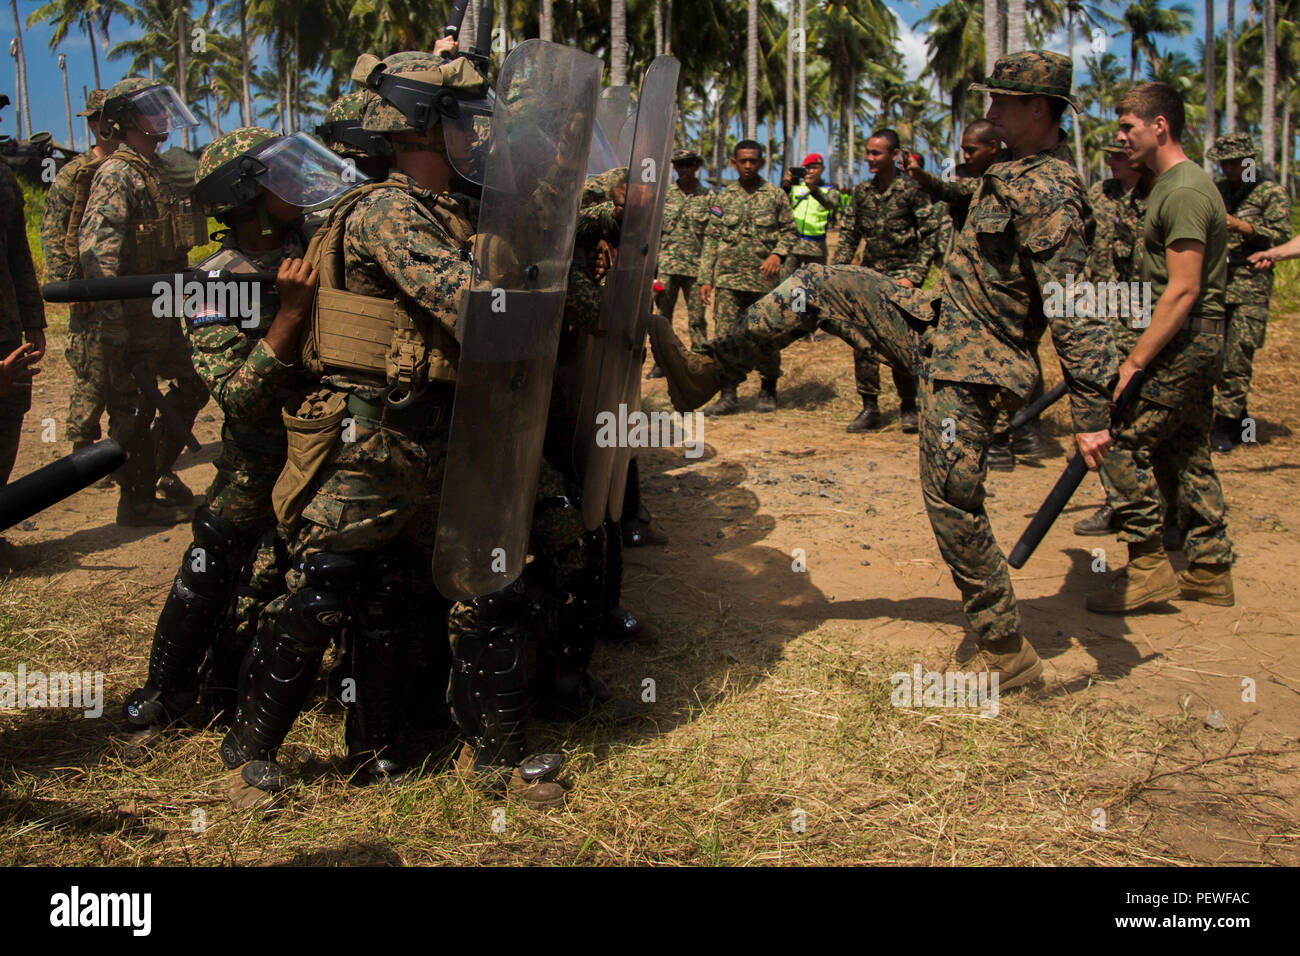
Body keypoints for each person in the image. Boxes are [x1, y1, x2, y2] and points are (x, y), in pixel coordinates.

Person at [651, 51, 1111, 689]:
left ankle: (1006, 648)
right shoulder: (1011, 166)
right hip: (936, 324)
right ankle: (708, 372)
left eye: (1001, 101)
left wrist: (1092, 418)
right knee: (813, 284)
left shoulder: (1053, 191)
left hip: (977, 364)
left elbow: (1076, 307)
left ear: (1040, 108)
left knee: (951, 494)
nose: (989, 110)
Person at [219, 52, 564, 808]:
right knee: (320, 591)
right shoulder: (387, 210)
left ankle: (497, 759)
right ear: (422, 130)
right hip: (375, 440)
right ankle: (249, 755)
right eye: (462, 123)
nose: (477, 138)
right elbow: (472, 307)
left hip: (443, 435)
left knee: (487, 587)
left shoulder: (451, 213)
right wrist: (546, 301)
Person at [122, 127, 353, 743]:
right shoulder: (213, 282)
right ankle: (164, 696)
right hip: (256, 463)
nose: (298, 186)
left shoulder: (317, 245)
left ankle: (249, 693)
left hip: (325, 453)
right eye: (280, 178)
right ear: (246, 195)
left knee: (279, 586)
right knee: (208, 565)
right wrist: (290, 315)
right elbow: (238, 396)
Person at [1085, 82, 1235, 614]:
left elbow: (1184, 288)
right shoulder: (1172, 186)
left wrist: (1133, 362)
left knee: (1118, 442)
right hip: (1191, 338)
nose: (1120, 137)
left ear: (1159, 127)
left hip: (1184, 339)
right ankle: (1210, 568)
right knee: (1186, 446)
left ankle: (1147, 566)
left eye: (1128, 126)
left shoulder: (1185, 191)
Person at [78, 78, 211, 526]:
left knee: (193, 384)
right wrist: (112, 322)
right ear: (128, 120)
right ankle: (135, 502)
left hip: (162, 313)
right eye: (154, 110)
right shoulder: (119, 173)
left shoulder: (154, 170)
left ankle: (152, 473)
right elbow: (97, 252)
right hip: (132, 320)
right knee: (133, 410)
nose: (165, 118)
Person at [1074, 146, 1157, 537]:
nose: (1112, 161)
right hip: (1104, 308)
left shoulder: (1156, 195)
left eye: (1121, 155)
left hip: (1146, 314)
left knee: (1143, 417)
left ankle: (1156, 508)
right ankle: (1119, 504)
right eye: (1109, 155)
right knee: (1112, 410)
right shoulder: (1099, 193)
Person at [833, 128, 937, 434]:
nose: (869, 158)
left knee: (903, 345)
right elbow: (849, 234)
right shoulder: (862, 192)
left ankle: (909, 406)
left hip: (901, 281)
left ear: (895, 155)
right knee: (863, 344)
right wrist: (836, 272)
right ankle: (870, 408)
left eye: (876, 153)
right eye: (867, 152)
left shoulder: (912, 190)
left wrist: (913, 276)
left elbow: (931, 236)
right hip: (868, 279)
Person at [40, 89, 118, 456]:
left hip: (127, 288)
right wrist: (69, 288)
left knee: (129, 374)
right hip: (88, 291)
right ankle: (82, 447)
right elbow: (53, 233)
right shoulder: (75, 175)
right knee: (93, 372)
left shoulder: (134, 168)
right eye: (94, 119)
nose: (101, 125)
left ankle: (126, 452)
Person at [1205, 133, 1291, 453]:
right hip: (1218, 282)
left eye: (1234, 163)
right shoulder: (1219, 190)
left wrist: (1244, 227)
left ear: (1248, 162)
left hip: (1250, 286)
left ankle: (1225, 427)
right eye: (1223, 163)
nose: (1227, 169)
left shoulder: (1269, 193)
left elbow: (1282, 237)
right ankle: (1243, 424)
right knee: (1215, 356)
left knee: (1237, 359)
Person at [696, 139, 796, 415]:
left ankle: (768, 388)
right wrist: (706, 277)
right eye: (743, 161)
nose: (749, 165)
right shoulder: (723, 198)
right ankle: (728, 394)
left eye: (754, 160)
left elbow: (790, 231)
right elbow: (712, 238)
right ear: (734, 163)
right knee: (726, 336)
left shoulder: (775, 195)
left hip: (763, 281)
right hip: (728, 281)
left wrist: (777, 254)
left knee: (766, 335)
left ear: (762, 163)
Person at [1, 146, 48, 570]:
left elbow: (18, 251)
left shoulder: (3, 177)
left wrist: (34, 318)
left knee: (12, 407)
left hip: (5, 325)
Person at [651, 147, 711, 369]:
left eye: (688, 164)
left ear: (696, 167)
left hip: (696, 269)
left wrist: (709, 274)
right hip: (667, 267)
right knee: (663, 318)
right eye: (678, 165)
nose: (683, 169)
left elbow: (714, 237)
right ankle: (662, 362)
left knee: (697, 320)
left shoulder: (709, 198)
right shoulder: (664, 196)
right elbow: (654, 232)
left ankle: (700, 363)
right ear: (673, 167)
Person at [780, 152, 840, 277]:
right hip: (793, 244)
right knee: (785, 284)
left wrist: (813, 189)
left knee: (815, 286)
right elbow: (780, 203)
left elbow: (830, 204)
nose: (811, 171)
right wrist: (786, 185)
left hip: (816, 247)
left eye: (815, 168)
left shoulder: (829, 190)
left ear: (822, 169)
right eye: (808, 168)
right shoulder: (796, 187)